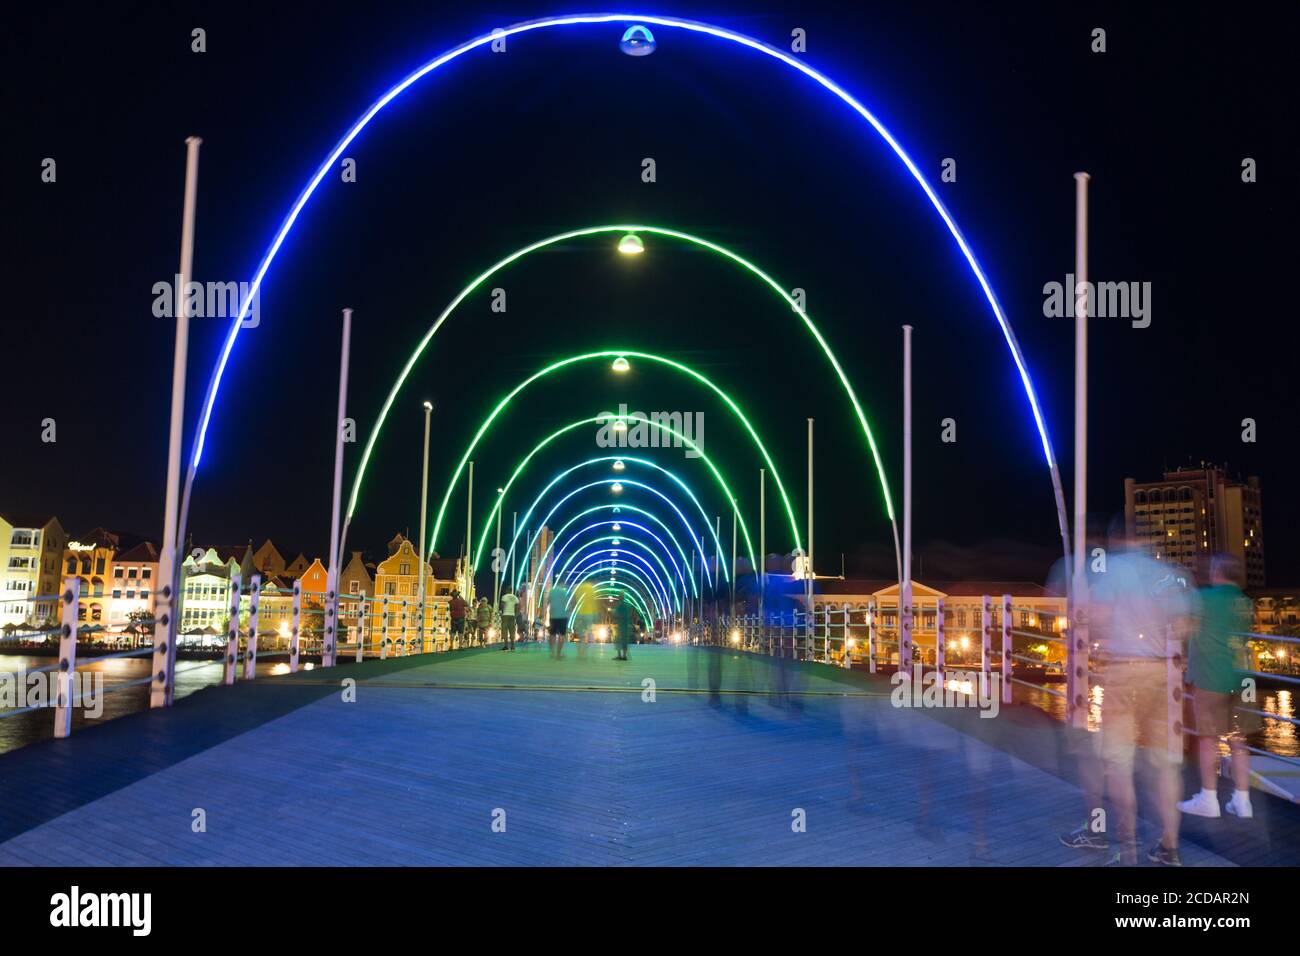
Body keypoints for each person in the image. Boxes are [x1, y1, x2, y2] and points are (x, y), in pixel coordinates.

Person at [1058, 519, 1193, 866]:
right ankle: (1168, 846)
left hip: (1123, 672)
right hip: (1163, 673)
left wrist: (1080, 617)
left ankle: (1127, 846)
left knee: (1118, 763)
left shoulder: (1113, 570)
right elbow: (1184, 624)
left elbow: (1097, 618)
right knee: (1165, 767)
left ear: (1116, 539)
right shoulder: (1169, 574)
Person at [1178, 553, 1258, 820]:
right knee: (1239, 739)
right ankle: (1242, 801)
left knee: (1208, 739)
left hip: (1211, 678)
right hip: (1243, 679)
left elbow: (1185, 628)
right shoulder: (1246, 603)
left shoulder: (1203, 598)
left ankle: (1208, 799)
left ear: (1217, 571)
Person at [547, 579, 569, 659]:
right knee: (562, 635)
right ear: (562, 583)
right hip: (562, 616)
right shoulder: (564, 592)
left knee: (552, 634)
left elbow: (548, 602)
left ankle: (552, 652)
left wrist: (544, 614)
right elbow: (567, 603)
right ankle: (558, 653)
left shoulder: (552, 591)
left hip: (553, 616)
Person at [613, 594, 633, 661]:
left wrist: (614, 614)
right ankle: (624, 656)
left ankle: (619, 655)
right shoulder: (627, 606)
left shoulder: (619, 606)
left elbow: (616, 615)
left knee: (618, 640)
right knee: (624, 640)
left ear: (619, 598)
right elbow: (629, 615)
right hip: (625, 625)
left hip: (621, 625)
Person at [499, 588, 519, 652]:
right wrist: (515, 614)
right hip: (512, 615)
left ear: (507, 590)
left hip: (505, 614)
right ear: (511, 591)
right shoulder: (515, 598)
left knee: (505, 630)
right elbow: (517, 607)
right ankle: (513, 646)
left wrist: (502, 612)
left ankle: (506, 646)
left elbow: (502, 605)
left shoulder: (504, 597)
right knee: (512, 630)